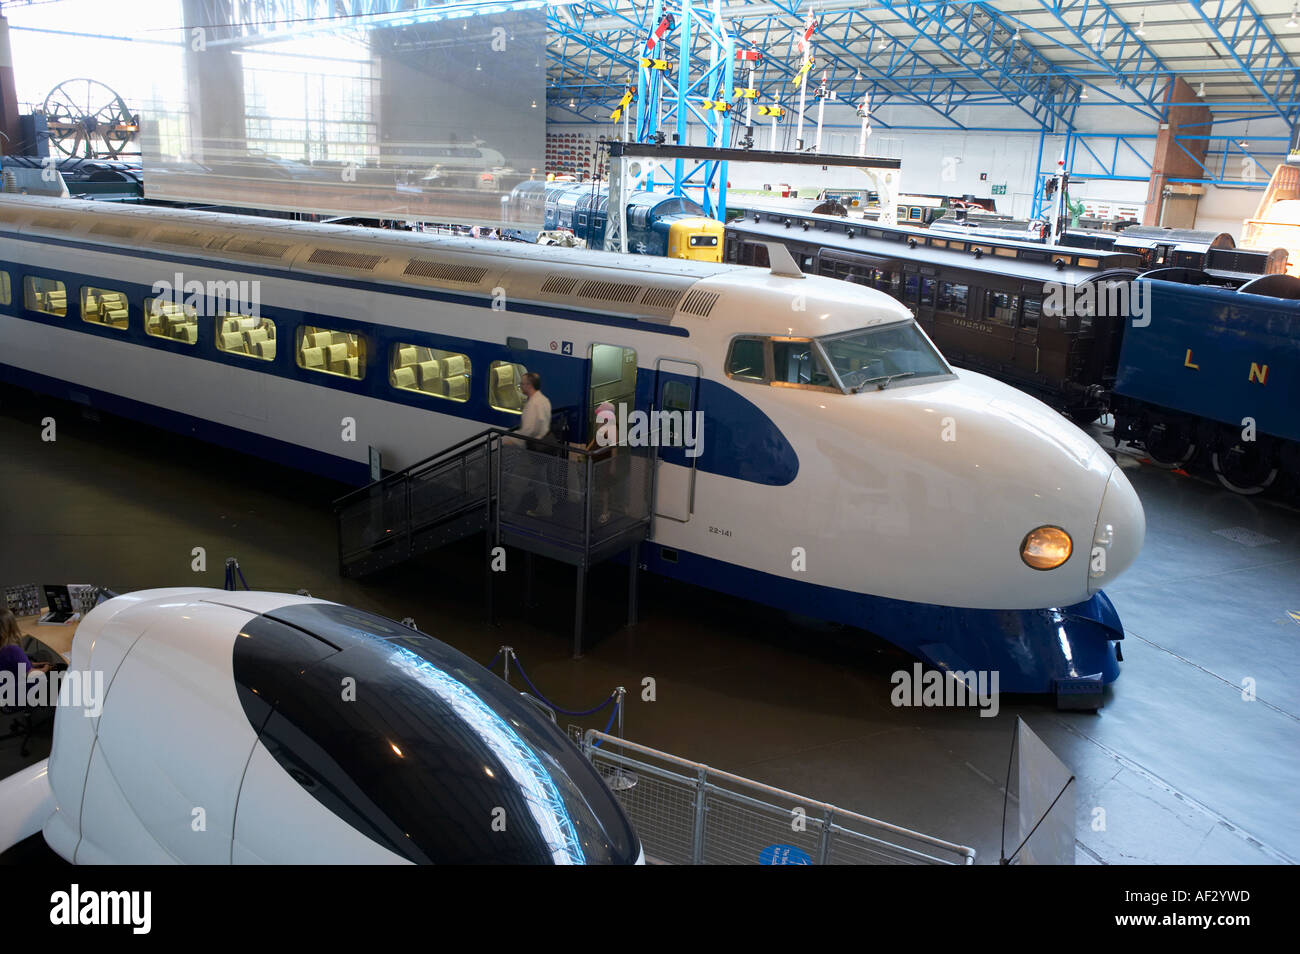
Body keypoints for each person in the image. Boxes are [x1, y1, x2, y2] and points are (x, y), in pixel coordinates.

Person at [516, 372, 553, 517]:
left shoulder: (532, 404)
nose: (520, 386)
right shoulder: (544, 400)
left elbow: (529, 429)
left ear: (529, 386)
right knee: (540, 480)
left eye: (522, 383)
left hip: (533, 449)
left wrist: (511, 439)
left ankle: (505, 513)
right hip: (542, 448)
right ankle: (546, 508)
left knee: (515, 484)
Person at [0, 607, 50, 679]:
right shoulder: (12, 650)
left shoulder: (4, 648)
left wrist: (35, 664)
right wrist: (46, 668)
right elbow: (31, 674)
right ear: (12, 627)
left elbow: (16, 663)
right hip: (24, 687)